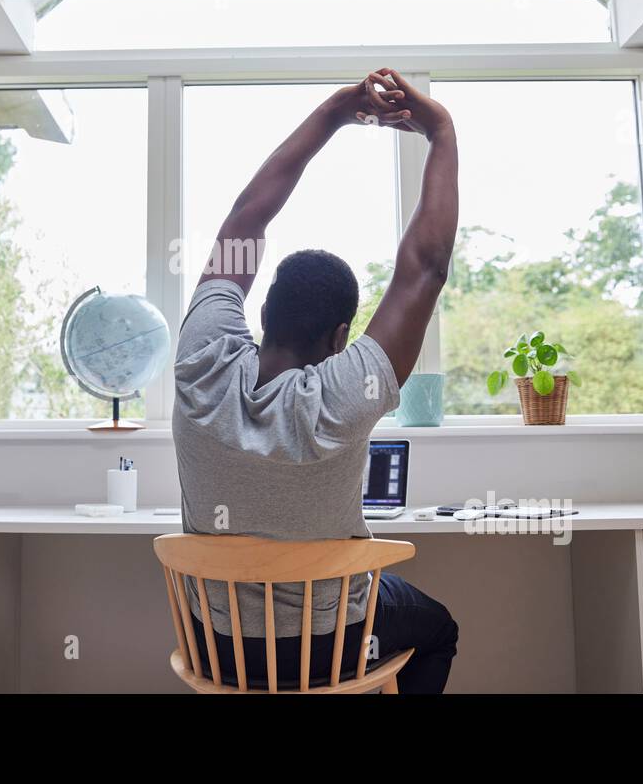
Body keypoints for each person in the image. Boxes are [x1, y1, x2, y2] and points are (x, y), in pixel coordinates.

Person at [171, 69, 460, 693]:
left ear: (260, 311)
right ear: (339, 340)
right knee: (438, 629)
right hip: (329, 650)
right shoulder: (341, 397)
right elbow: (426, 268)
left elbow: (245, 219)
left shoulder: (200, 358)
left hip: (213, 650)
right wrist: (441, 133)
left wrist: (336, 111)